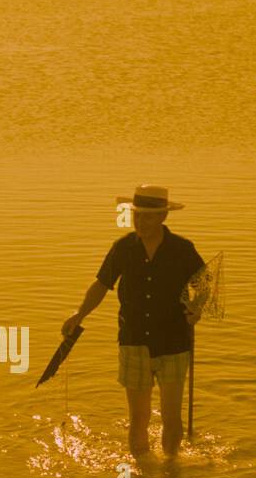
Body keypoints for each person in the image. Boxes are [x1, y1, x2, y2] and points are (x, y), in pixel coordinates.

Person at [63, 184, 207, 458]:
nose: (140, 222)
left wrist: (196, 308)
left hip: (174, 341)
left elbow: (205, 283)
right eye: (136, 215)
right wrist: (79, 314)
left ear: (163, 216)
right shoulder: (123, 248)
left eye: (147, 217)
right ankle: (141, 474)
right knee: (138, 418)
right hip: (133, 340)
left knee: (171, 417)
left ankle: (171, 466)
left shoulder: (182, 249)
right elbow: (101, 285)